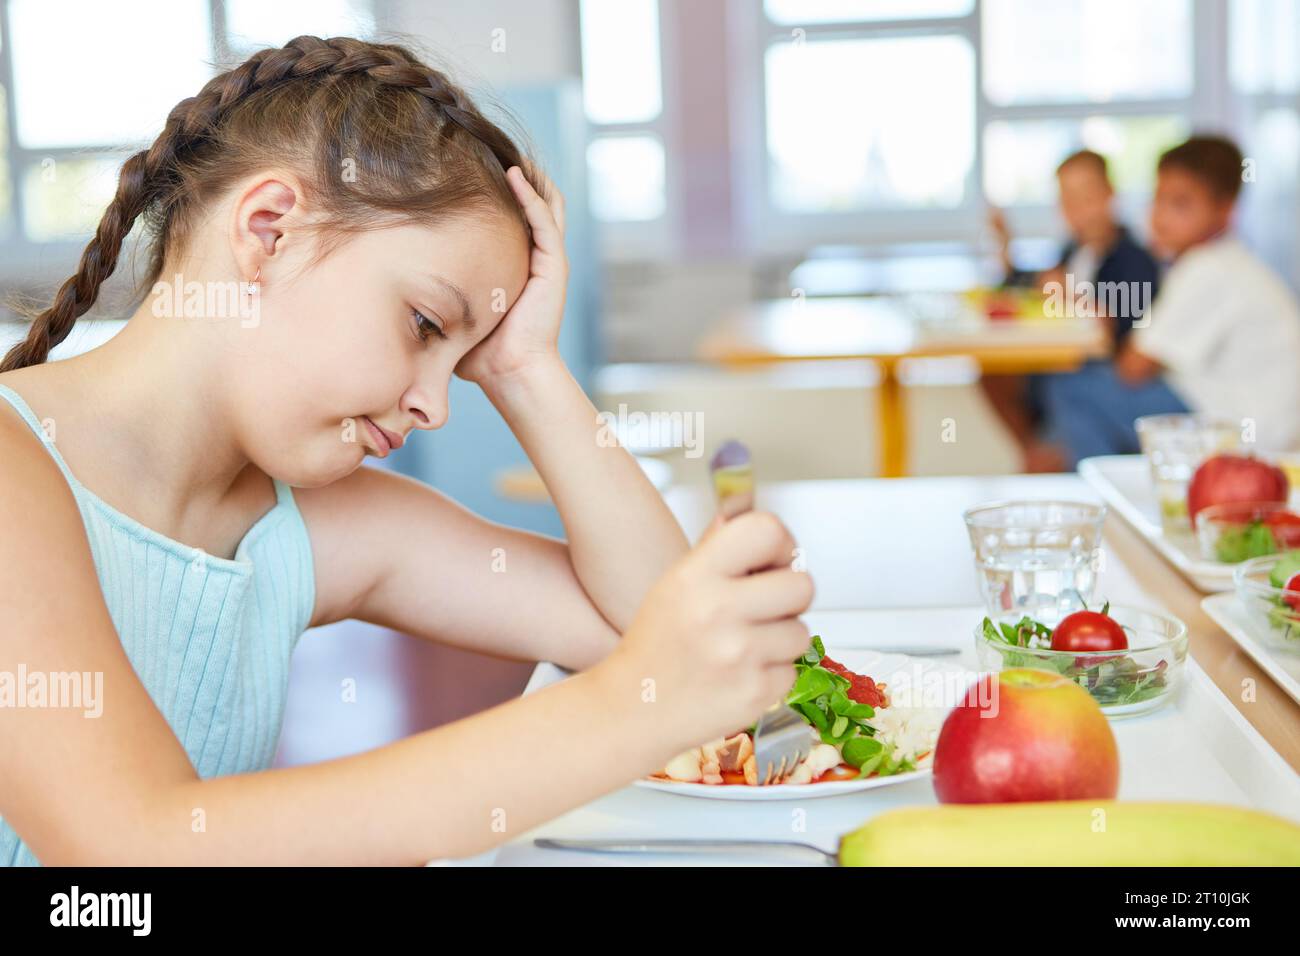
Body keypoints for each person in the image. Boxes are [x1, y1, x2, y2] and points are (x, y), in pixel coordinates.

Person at [0, 36, 814, 865]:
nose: (434, 406)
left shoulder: (311, 526)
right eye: (425, 324)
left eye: (461, 362)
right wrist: (627, 710)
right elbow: (136, 851)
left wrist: (527, 370)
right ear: (269, 230)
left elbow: (649, 629)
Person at [1045, 135, 1300, 463]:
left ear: (1225, 209)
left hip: (1245, 435)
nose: (1161, 216)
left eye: (1180, 204)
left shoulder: (1207, 268)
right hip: (1251, 419)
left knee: (1072, 386)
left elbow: (1133, 368)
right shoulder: (1228, 261)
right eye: (1158, 200)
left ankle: (1103, 491)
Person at [985, 149, 1161, 472]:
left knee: (1062, 385)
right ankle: (1036, 450)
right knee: (992, 372)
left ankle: (1062, 459)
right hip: (1059, 368)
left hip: (1102, 380)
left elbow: (1115, 332)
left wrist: (1072, 296)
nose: (1079, 209)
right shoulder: (1073, 250)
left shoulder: (1133, 259)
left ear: (1110, 194)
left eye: (1087, 196)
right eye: (1068, 200)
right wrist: (1007, 249)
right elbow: (1035, 283)